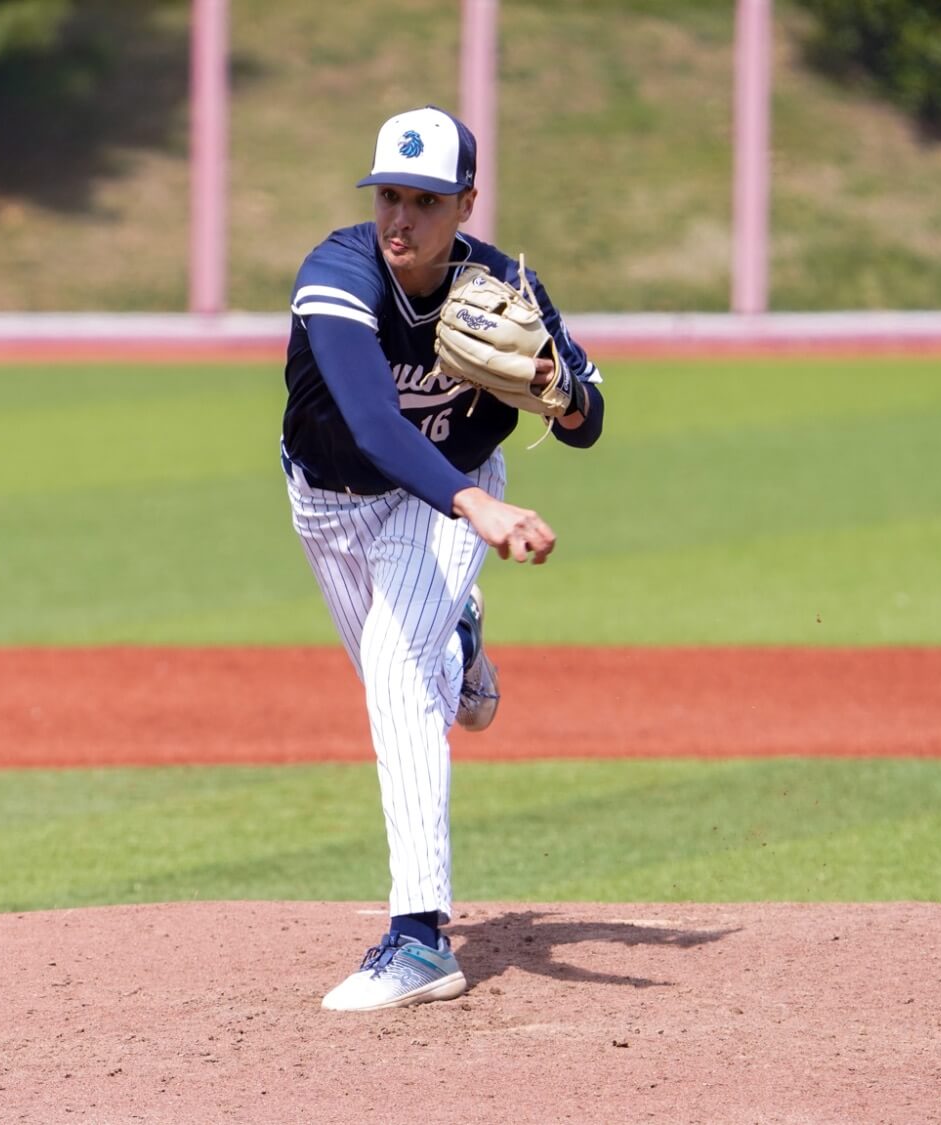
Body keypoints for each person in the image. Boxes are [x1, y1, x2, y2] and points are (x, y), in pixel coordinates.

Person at [280, 105, 606, 1012]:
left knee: (393, 671)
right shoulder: (336, 276)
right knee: (417, 687)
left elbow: (589, 419)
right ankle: (461, 646)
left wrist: (562, 392)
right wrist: (483, 509)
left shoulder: (503, 285)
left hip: (452, 499)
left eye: (425, 201)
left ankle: (420, 937)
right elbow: (375, 426)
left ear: (466, 201)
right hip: (334, 505)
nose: (401, 219)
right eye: (390, 194)